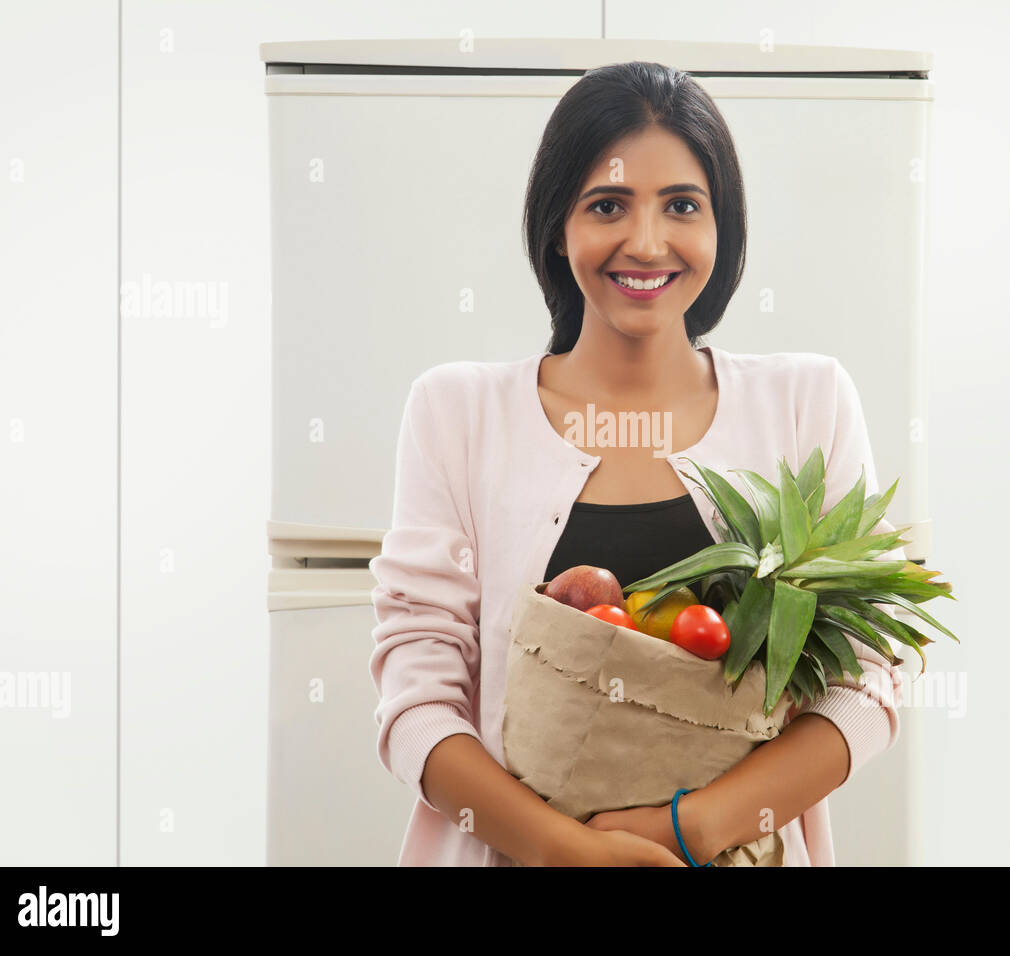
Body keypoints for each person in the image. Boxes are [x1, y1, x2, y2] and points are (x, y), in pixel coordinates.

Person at [368, 60, 905, 866]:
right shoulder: (457, 412)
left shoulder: (807, 401)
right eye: (607, 205)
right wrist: (563, 851)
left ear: (722, 228)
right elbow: (416, 701)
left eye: (682, 205)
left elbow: (866, 681)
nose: (646, 243)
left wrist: (694, 829)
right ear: (558, 226)